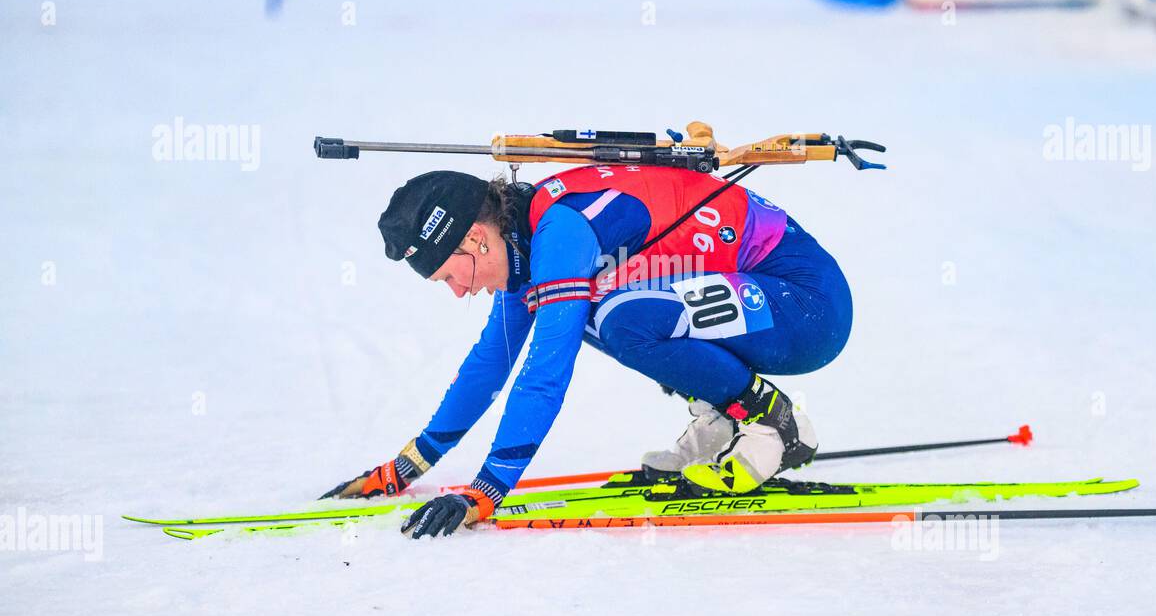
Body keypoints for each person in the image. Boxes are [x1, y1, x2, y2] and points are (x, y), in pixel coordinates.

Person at [321, 163, 853, 538]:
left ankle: (774, 424)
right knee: (598, 309)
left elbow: (545, 369)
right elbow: (491, 364)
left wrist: (488, 490)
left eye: (448, 276)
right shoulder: (527, 244)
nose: (458, 290)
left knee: (614, 315)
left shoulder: (561, 233)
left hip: (805, 305)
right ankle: (721, 420)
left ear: (477, 239)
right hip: (765, 298)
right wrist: (407, 466)